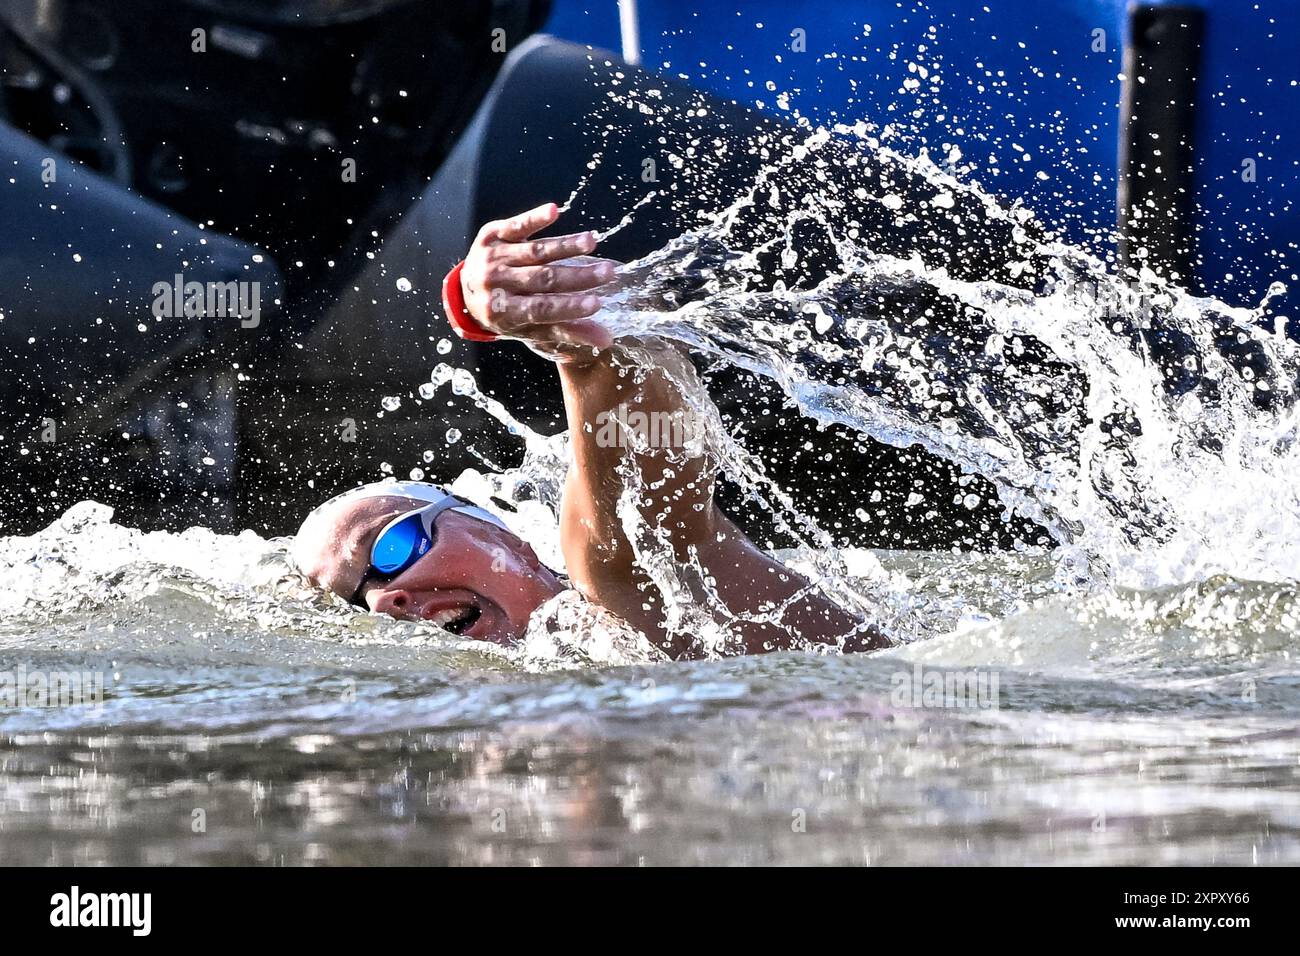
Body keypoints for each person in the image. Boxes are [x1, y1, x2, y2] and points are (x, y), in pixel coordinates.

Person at [293, 203, 885, 659]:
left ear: (500, 533)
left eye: (395, 548)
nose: (388, 599)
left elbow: (640, 465)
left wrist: (576, 343)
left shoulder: (626, 584)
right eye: (359, 600)